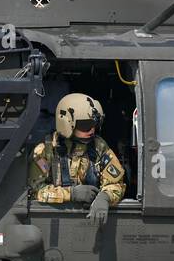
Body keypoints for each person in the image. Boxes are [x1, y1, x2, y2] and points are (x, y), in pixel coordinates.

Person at [27, 92, 126, 229]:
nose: (91, 130)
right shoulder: (45, 151)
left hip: (90, 223)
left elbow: (117, 183)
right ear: (67, 124)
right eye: (85, 125)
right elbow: (36, 191)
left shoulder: (99, 147)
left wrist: (105, 197)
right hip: (56, 221)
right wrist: (71, 194)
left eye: (94, 124)